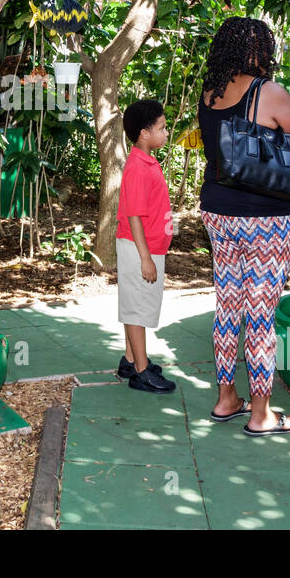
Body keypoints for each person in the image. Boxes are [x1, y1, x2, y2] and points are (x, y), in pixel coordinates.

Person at [198, 18, 290, 435]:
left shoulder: (209, 93)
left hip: (218, 211)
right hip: (264, 217)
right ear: (259, 49)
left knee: (228, 306)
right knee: (260, 313)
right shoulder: (270, 92)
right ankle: (261, 414)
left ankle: (227, 399)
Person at [115, 98, 176, 394]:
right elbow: (134, 215)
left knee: (135, 306)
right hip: (139, 248)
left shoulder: (146, 162)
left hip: (148, 247)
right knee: (137, 310)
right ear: (144, 133)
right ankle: (140, 371)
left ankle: (130, 360)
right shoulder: (138, 167)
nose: (166, 133)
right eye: (162, 128)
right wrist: (145, 258)